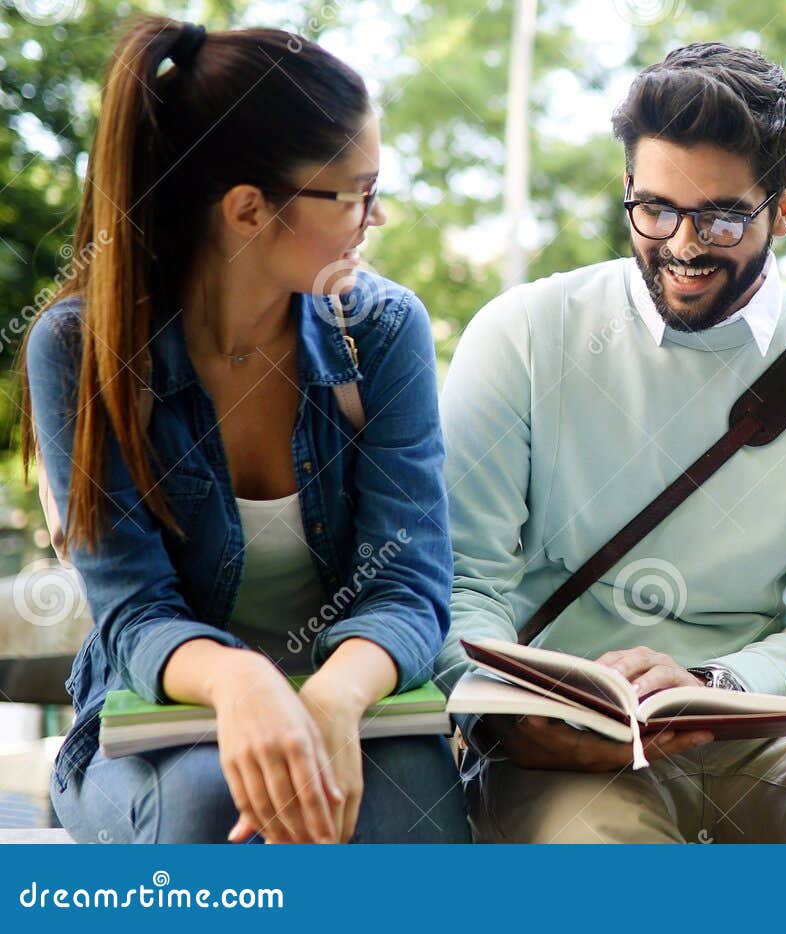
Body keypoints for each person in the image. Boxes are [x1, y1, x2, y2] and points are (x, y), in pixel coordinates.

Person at [434, 42, 786, 844]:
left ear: (783, 212)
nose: (684, 246)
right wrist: (508, 723)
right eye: (655, 209)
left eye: (723, 217)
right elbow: (460, 583)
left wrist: (717, 683)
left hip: (758, 718)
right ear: (628, 189)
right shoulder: (521, 333)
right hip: (560, 742)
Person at [23, 17, 469, 844]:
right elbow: (134, 611)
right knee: (213, 805)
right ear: (249, 210)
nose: (374, 217)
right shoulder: (82, 351)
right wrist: (240, 683)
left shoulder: (383, 330)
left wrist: (329, 701)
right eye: (356, 194)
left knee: (411, 800)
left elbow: (409, 584)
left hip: (356, 700)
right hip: (157, 728)